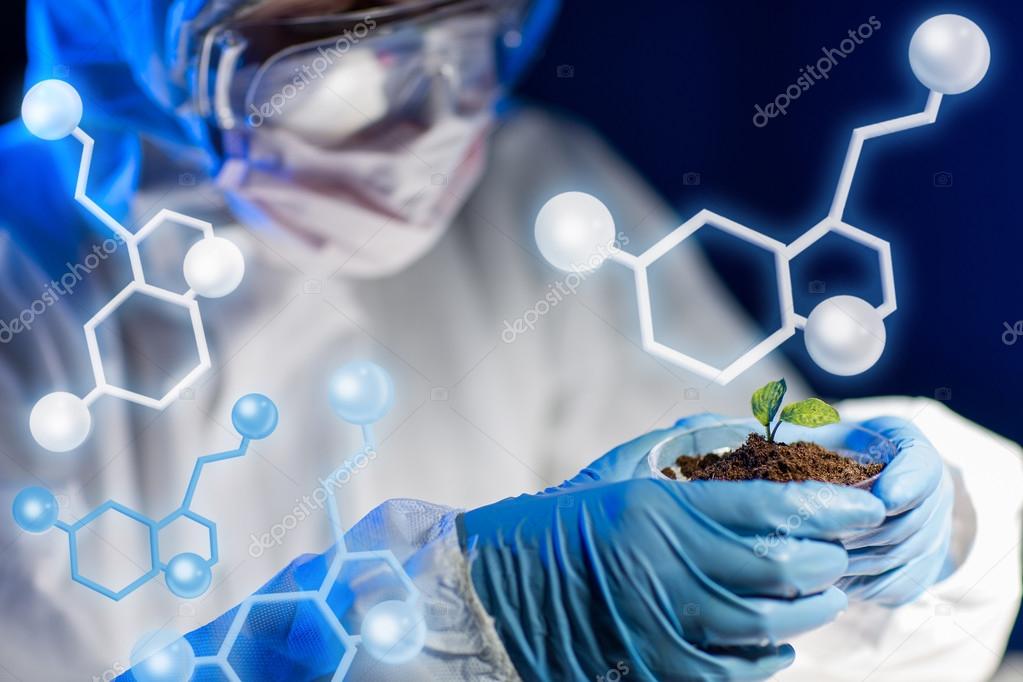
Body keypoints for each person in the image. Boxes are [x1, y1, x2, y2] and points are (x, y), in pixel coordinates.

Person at [0, 0, 1018, 680]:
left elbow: (783, 577)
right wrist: (454, 630)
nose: (435, 122)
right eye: (338, 63)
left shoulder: (535, 199)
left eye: (475, 36)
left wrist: (927, 537)